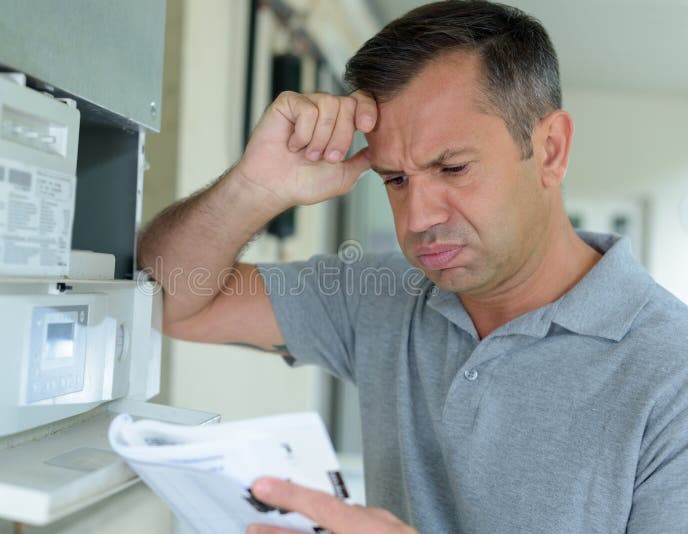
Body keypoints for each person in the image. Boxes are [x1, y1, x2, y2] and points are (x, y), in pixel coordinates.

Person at [138, 1, 688, 532]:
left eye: (452, 167)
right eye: (395, 180)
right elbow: (168, 300)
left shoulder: (672, 377)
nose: (418, 217)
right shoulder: (383, 294)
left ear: (550, 150)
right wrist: (253, 189)